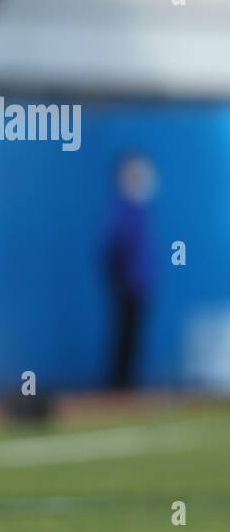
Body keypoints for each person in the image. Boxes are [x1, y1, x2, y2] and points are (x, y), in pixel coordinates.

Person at [103, 153, 156, 388]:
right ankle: (120, 386)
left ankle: (127, 383)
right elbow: (113, 246)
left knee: (133, 335)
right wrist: (120, 278)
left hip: (139, 281)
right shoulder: (121, 209)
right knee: (125, 334)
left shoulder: (138, 209)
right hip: (127, 282)